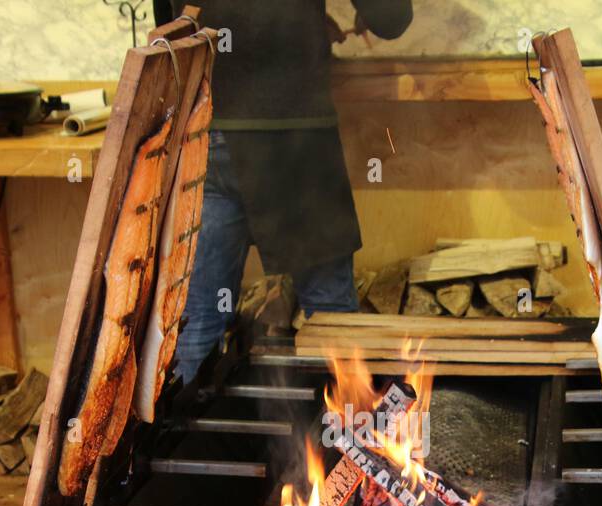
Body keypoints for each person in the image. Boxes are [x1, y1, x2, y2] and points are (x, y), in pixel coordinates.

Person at [154, 1, 414, 383]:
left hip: (208, 133)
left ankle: (187, 440)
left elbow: (173, 26)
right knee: (332, 316)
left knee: (198, 323)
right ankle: (351, 436)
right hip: (296, 143)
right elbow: (391, 18)